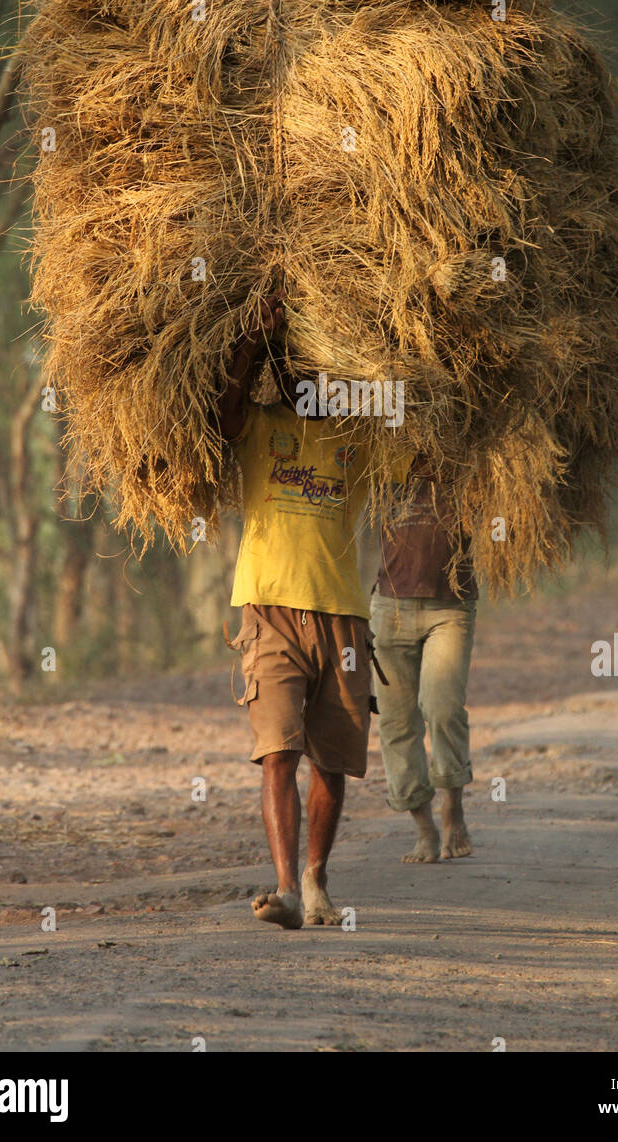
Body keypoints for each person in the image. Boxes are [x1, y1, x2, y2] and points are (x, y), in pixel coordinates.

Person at [218, 294, 376, 929]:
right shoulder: (258, 429)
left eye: (314, 369)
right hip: (269, 615)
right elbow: (224, 415)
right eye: (293, 365)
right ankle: (285, 888)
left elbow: (419, 430)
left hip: (341, 618)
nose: (301, 378)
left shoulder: (357, 439)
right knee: (277, 753)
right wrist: (254, 341)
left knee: (331, 765)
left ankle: (315, 879)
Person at [370, 458, 477, 862]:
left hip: (451, 606)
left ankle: (453, 809)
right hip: (389, 606)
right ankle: (423, 827)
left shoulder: (467, 451)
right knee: (397, 723)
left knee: (443, 707)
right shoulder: (381, 452)